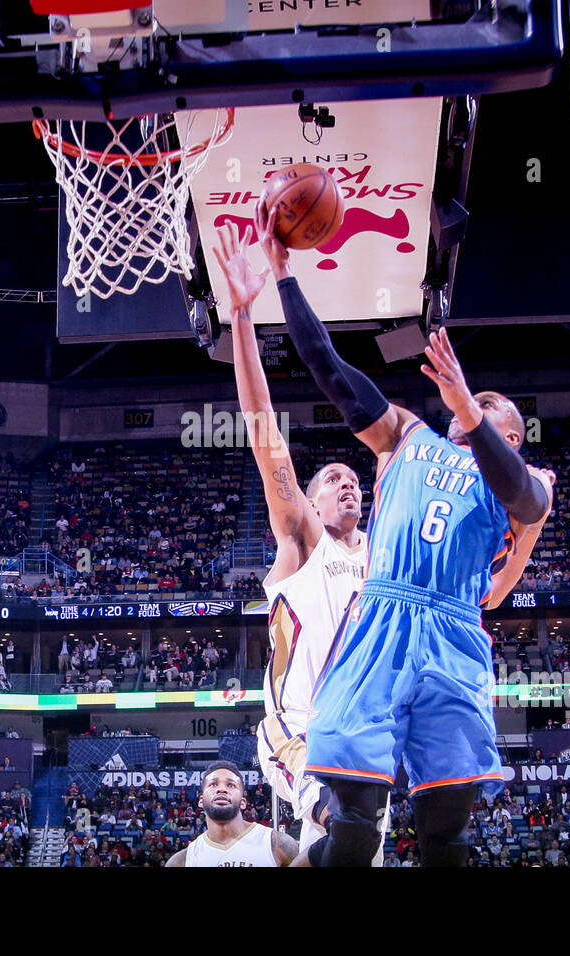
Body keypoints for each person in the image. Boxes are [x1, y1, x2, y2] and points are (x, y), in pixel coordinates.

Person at [231, 209, 555, 867]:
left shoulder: (523, 479)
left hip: (452, 635)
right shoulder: (407, 434)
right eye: (468, 406)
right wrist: (284, 276)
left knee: (447, 835)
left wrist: (472, 412)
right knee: (353, 829)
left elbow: (524, 498)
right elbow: (330, 368)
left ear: (513, 435)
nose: (469, 408)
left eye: (491, 415)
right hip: (383, 619)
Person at [211, 221, 378, 861]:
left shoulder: (379, 557)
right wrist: (244, 316)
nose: (347, 484)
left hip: (362, 729)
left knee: (351, 850)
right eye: (332, 478)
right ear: (307, 499)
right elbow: (263, 434)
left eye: (353, 479)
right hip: (298, 727)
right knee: (340, 818)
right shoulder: (305, 539)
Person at [164, 761, 298, 867]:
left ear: (243, 802)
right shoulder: (182, 861)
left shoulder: (277, 844)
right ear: (200, 801)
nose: (221, 789)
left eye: (231, 785)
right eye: (213, 784)